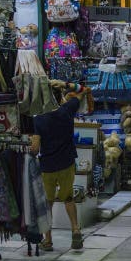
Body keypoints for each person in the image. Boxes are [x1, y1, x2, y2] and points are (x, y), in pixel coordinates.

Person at [31, 83, 92, 251]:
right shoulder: (67, 110)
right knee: (68, 198)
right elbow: (82, 90)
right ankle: (75, 230)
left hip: (47, 166)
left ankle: (48, 241)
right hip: (67, 162)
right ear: (60, 97)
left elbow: (35, 148)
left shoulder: (39, 119)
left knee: (48, 204)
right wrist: (66, 84)